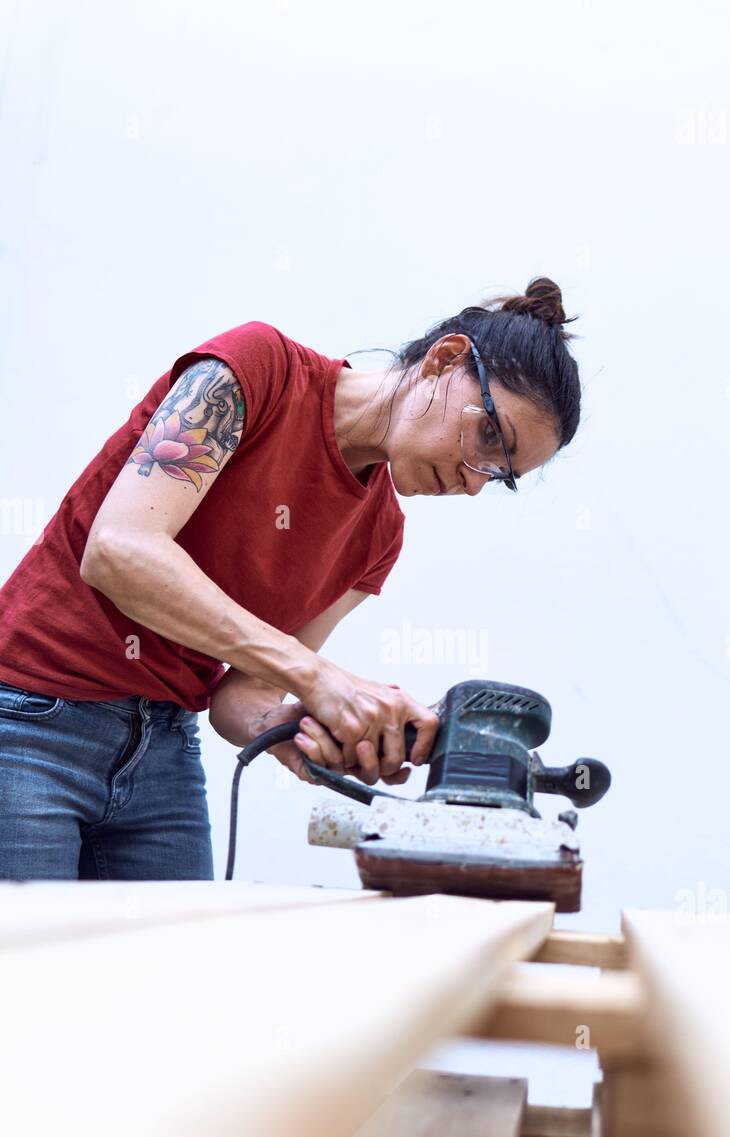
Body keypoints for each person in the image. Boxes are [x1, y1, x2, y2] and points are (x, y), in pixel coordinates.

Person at [0, 276, 582, 880]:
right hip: (29, 725)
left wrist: (291, 728)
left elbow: (241, 697)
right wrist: (318, 677)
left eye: (499, 473)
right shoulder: (259, 370)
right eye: (489, 435)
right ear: (446, 358)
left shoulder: (379, 538)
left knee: (176, 947)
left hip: (166, 751)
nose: (474, 480)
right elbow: (119, 550)